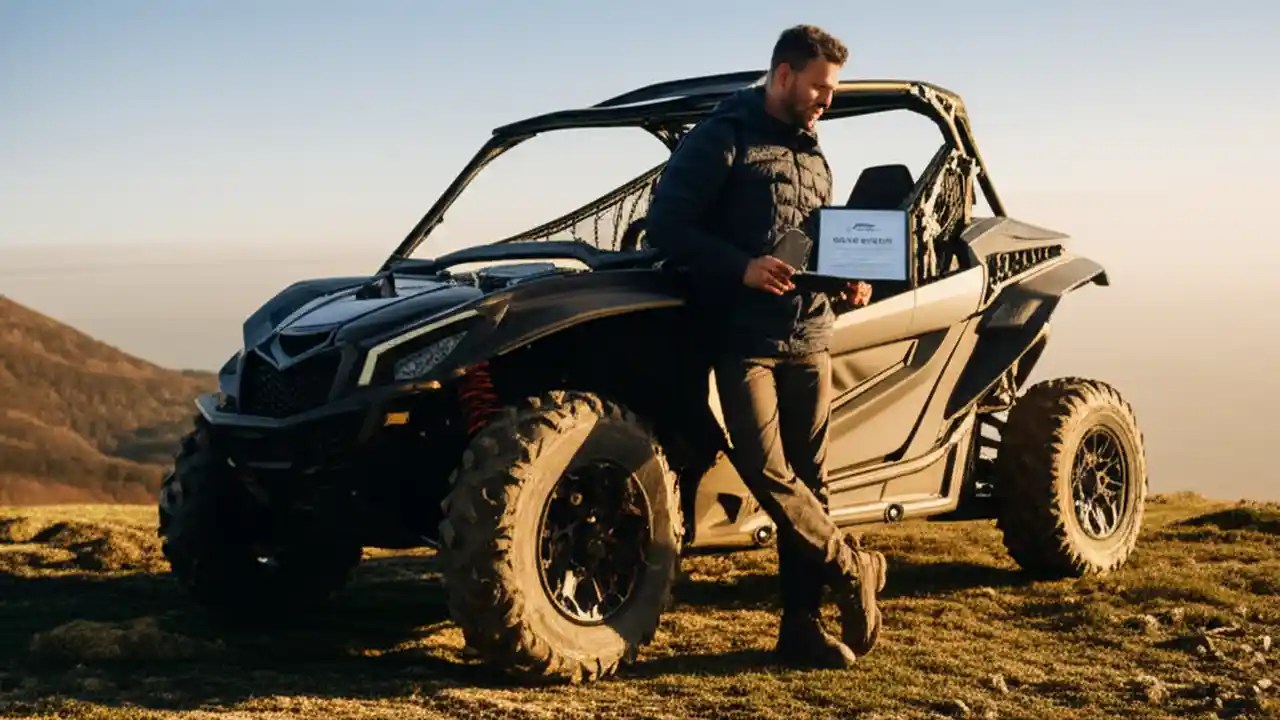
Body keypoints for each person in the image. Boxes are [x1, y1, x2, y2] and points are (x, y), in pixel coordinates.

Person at [645, 24, 888, 669]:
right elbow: (666, 226)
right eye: (820, 87)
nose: (826, 100)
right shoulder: (721, 138)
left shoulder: (815, 152)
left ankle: (800, 629)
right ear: (783, 75)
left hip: (812, 336)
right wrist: (741, 268)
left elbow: (811, 243)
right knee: (768, 472)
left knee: (812, 480)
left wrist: (846, 283)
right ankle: (851, 564)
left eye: (831, 90)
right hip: (741, 337)